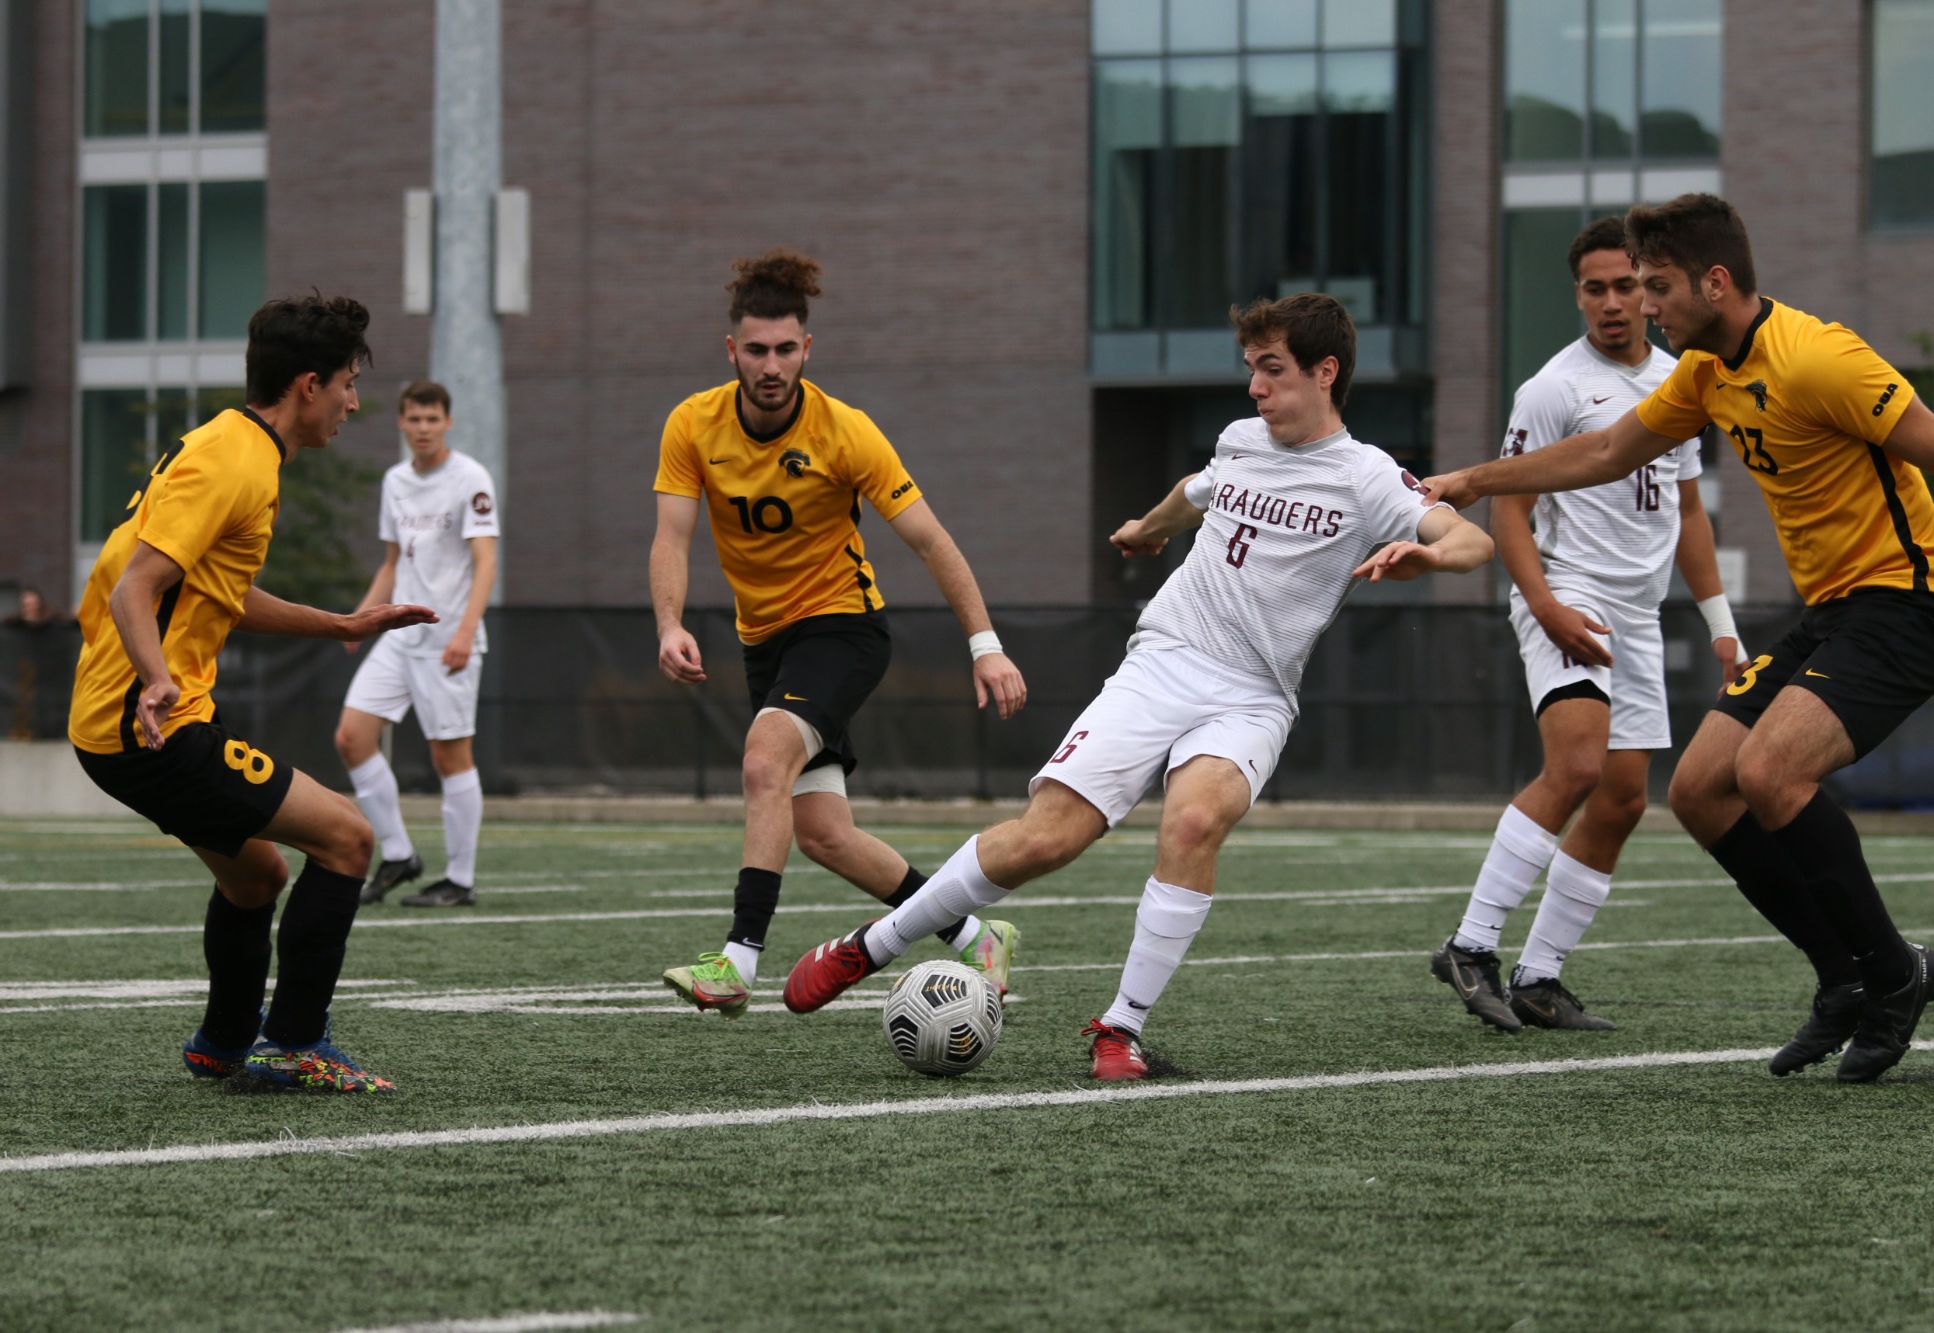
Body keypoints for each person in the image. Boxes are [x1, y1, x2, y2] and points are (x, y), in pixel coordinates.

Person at [781, 293, 1494, 1080]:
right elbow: (1199, 488)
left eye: (1272, 369)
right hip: (1163, 662)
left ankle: (1120, 1028)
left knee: (1192, 825)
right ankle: (866, 948)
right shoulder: (1240, 440)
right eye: (1251, 369)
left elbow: (1470, 537)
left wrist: (1426, 555)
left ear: (1325, 372)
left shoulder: (1367, 478)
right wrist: (1150, 527)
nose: (1255, 387)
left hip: (1252, 696)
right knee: (1046, 838)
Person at [1421, 193, 1934, 1083]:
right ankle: (1843, 978)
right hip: (1832, 608)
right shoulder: (1700, 373)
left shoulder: (1821, 357)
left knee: (1770, 772)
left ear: (1716, 281)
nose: (1645, 306)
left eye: (1656, 286)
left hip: (1909, 598)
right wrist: (1473, 477)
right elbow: (1604, 453)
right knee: (1700, 791)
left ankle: (1896, 971)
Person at [67, 294, 435, 1093]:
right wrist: (159, 678)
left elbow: (216, 591)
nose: (352, 401)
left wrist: (338, 624)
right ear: (308, 384)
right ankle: (293, 1042)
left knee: (257, 877)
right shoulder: (235, 461)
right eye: (345, 382)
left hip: (124, 723)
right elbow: (137, 588)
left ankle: (224, 1042)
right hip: (152, 724)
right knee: (348, 838)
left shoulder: (236, 447)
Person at [650, 249, 1028, 1017]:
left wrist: (984, 645)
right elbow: (670, 536)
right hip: (765, 644)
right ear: (732, 351)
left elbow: (931, 539)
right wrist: (669, 623)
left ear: (807, 350)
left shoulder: (845, 431)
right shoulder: (693, 424)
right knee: (824, 833)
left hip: (843, 628)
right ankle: (977, 937)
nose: (771, 365)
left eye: (786, 349)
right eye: (756, 350)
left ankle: (736, 959)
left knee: (764, 762)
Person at [1431, 216, 1745, 1033]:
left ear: (1650, 288)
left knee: (1624, 801)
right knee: (1573, 768)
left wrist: (1720, 625)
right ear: (1577, 294)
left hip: (1636, 615)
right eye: (1595, 287)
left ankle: (1541, 977)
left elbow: (1687, 511)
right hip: (1566, 592)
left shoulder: (1683, 379)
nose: (1613, 302)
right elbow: (1510, 510)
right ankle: (1469, 944)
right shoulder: (1553, 388)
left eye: (1628, 285)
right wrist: (1545, 605)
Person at [334, 380, 500, 908]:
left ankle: (460, 879)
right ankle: (401, 855)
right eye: (415, 419)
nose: (423, 428)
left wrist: (464, 631)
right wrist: (357, 621)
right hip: (398, 638)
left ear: (447, 423)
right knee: (351, 738)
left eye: (433, 419)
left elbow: (486, 562)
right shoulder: (395, 480)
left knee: (449, 757)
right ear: (401, 424)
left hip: (447, 641)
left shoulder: (470, 477)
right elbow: (391, 562)